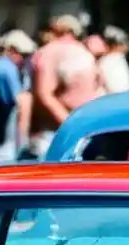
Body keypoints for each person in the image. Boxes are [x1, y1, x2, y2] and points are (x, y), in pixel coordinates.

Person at [27, 15, 102, 159]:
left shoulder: (57, 52)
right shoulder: (59, 52)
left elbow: (44, 93)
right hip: (59, 132)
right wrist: (71, 125)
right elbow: (45, 95)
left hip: (75, 130)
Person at [0, 30, 36, 164]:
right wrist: (23, 140)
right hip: (4, 124)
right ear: (12, 50)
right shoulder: (8, 68)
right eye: (23, 55)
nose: (25, 60)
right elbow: (20, 100)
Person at [98, 27, 129, 93]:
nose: (126, 47)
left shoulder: (106, 60)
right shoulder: (114, 59)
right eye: (122, 44)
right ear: (115, 45)